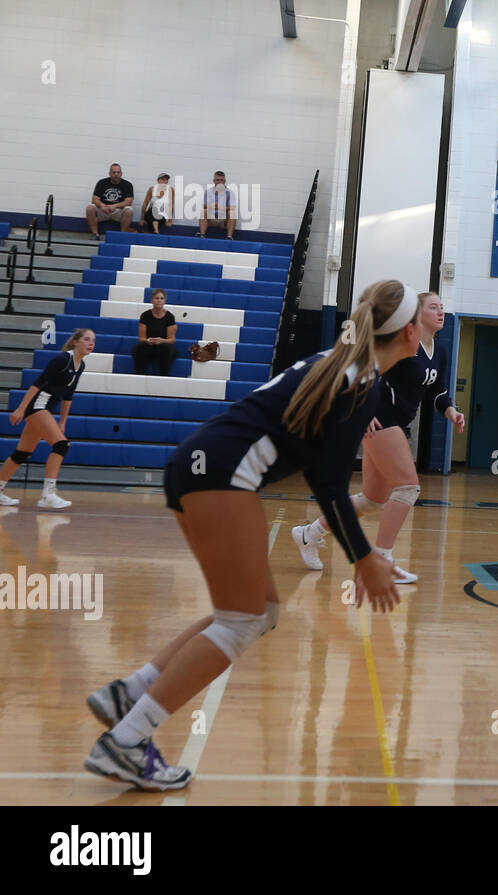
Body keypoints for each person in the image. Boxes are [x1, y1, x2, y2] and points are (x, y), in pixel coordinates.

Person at [82, 281, 415, 791]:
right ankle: (127, 740)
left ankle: (131, 691)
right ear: (410, 332)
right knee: (242, 621)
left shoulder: (339, 360)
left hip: (201, 465)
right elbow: (327, 484)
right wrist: (364, 558)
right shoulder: (358, 380)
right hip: (221, 475)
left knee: (258, 611)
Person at [292, 291, 466, 583]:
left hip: (398, 422)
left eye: (442, 307)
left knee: (374, 499)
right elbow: (361, 368)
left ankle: (310, 534)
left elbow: (438, 391)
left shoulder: (441, 350)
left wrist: (450, 410)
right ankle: (382, 559)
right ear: (416, 315)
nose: (441, 313)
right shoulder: (401, 341)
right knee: (408, 488)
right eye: (433, 307)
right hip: (378, 416)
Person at [0, 329, 94, 510]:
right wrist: (20, 408)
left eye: (93, 341)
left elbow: (68, 395)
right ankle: (48, 494)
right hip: (37, 406)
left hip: (45, 410)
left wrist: (63, 421)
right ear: (76, 342)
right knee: (61, 445)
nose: (91, 343)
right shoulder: (62, 359)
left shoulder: (80, 365)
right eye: (87, 339)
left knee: (23, 453)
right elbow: (38, 383)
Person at [133, 289, 179, 376]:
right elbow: (141, 338)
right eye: (156, 298)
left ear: (165, 301)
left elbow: (172, 340)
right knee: (141, 347)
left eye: (161, 298)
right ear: (152, 300)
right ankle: (139, 375)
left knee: (167, 349)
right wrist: (147, 341)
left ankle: (164, 377)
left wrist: (162, 340)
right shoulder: (145, 315)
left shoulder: (169, 317)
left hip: (163, 345)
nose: (159, 300)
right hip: (148, 345)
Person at [85, 163, 134, 239]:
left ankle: (121, 236)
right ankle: (95, 234)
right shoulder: (102, 182)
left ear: (121, 173)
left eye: (118, 172)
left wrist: (114, 206)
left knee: (129, 210)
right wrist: (102, 206)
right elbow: (94, 199)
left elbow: (129, 202)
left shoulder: (128, 185)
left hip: (118, 211)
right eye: (114, 172)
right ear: (109, 173)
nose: (116, 174)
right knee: (90, 208)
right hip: (103, 210)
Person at [200, 171, 238, 239]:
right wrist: (212, 206)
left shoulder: (230, 192)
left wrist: (220, 208)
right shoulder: (208, 191)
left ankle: (229, 237)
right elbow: (204, 206)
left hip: (224, 221)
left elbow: (232, 207)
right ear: (214, 181)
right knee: (204, 212)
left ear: (225, 181)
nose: (220, 182)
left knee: (232, 213)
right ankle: (202, 235)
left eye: (221, 180)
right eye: (217, 180)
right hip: (212, 220)